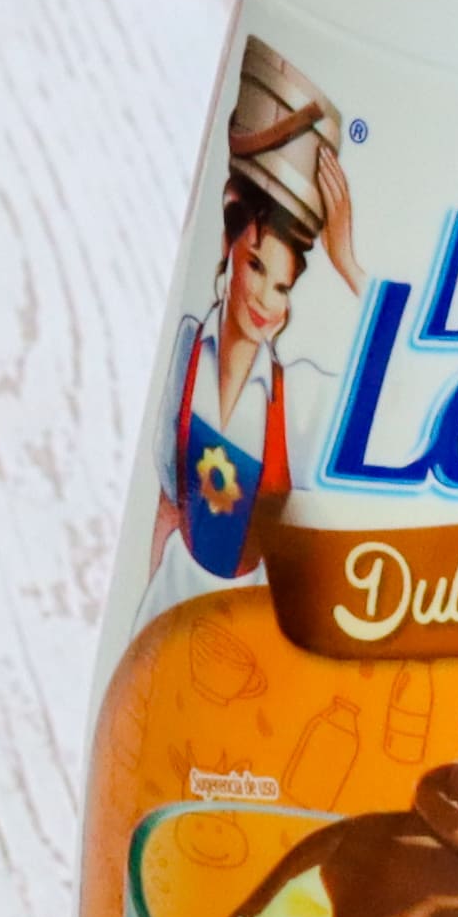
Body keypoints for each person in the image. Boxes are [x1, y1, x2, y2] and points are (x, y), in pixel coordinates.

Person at [161, 38, 356, 582]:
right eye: (255, 267)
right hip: (168, 624)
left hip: (241, 644)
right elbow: (165, 509)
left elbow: (394, 380)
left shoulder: (297, 400)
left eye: (284, 287)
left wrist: (348, 264)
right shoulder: (187, 354)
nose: (269, 301)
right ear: (228, 242)